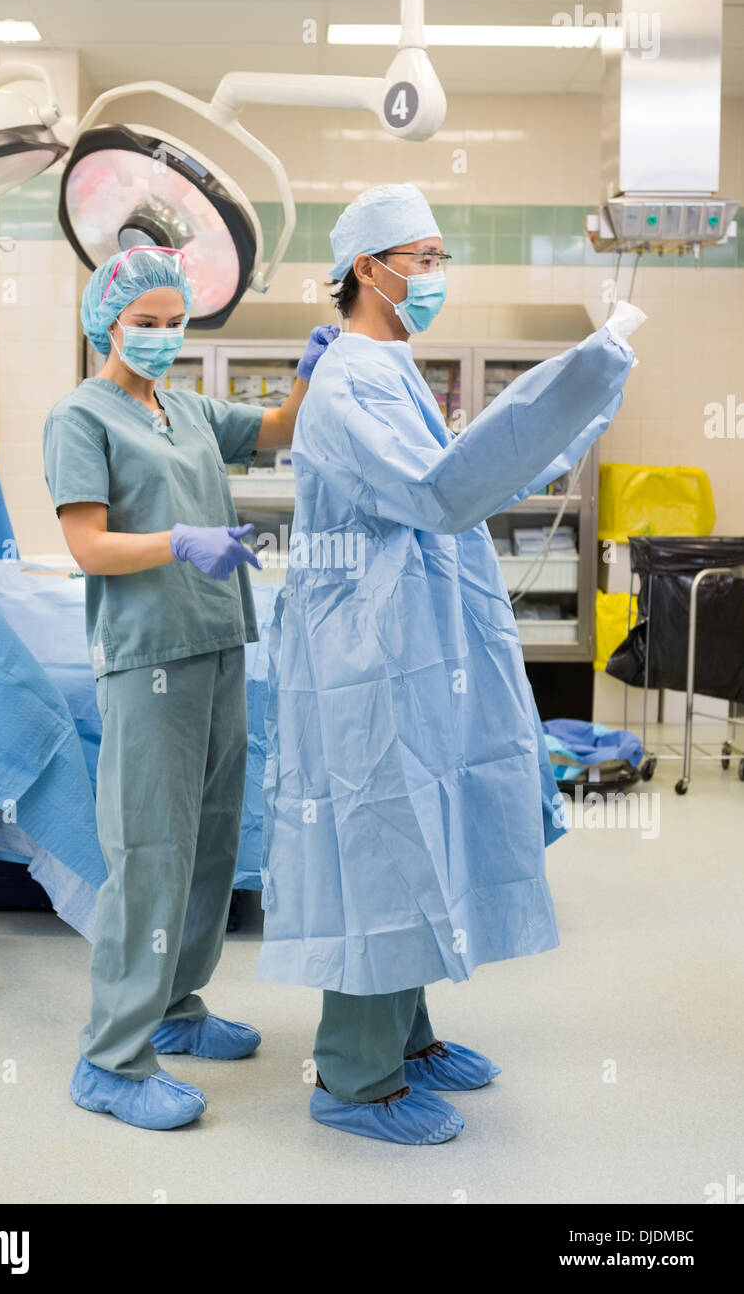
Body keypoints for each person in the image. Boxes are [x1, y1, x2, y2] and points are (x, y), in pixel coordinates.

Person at [258, 184, 645, 1144]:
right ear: (366, 268)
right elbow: (441, 493)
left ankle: (410, 1036)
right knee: (384, 847)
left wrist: (584, 403)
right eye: (420, 257)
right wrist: (575, 378)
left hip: (419, 645)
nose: (434, 274)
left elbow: (484, 468)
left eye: (438, 256)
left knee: (428, 828)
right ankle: (353, 1075)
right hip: (368, 656)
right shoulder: (349, 381)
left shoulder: (390, 366)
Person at [43, 245, 335, 1130]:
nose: (164, 338)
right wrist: (177, 542)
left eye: (176, 324)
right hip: (145, 657)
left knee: (211, 844)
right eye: (148, 324)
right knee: (149, 854)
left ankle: (176, 1009)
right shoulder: (79, 418)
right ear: (107, 322)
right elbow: (88, 546)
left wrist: (311, 378)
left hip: (215, 644)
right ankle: (111, 1058)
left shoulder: (187, 406)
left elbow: (279, 430)